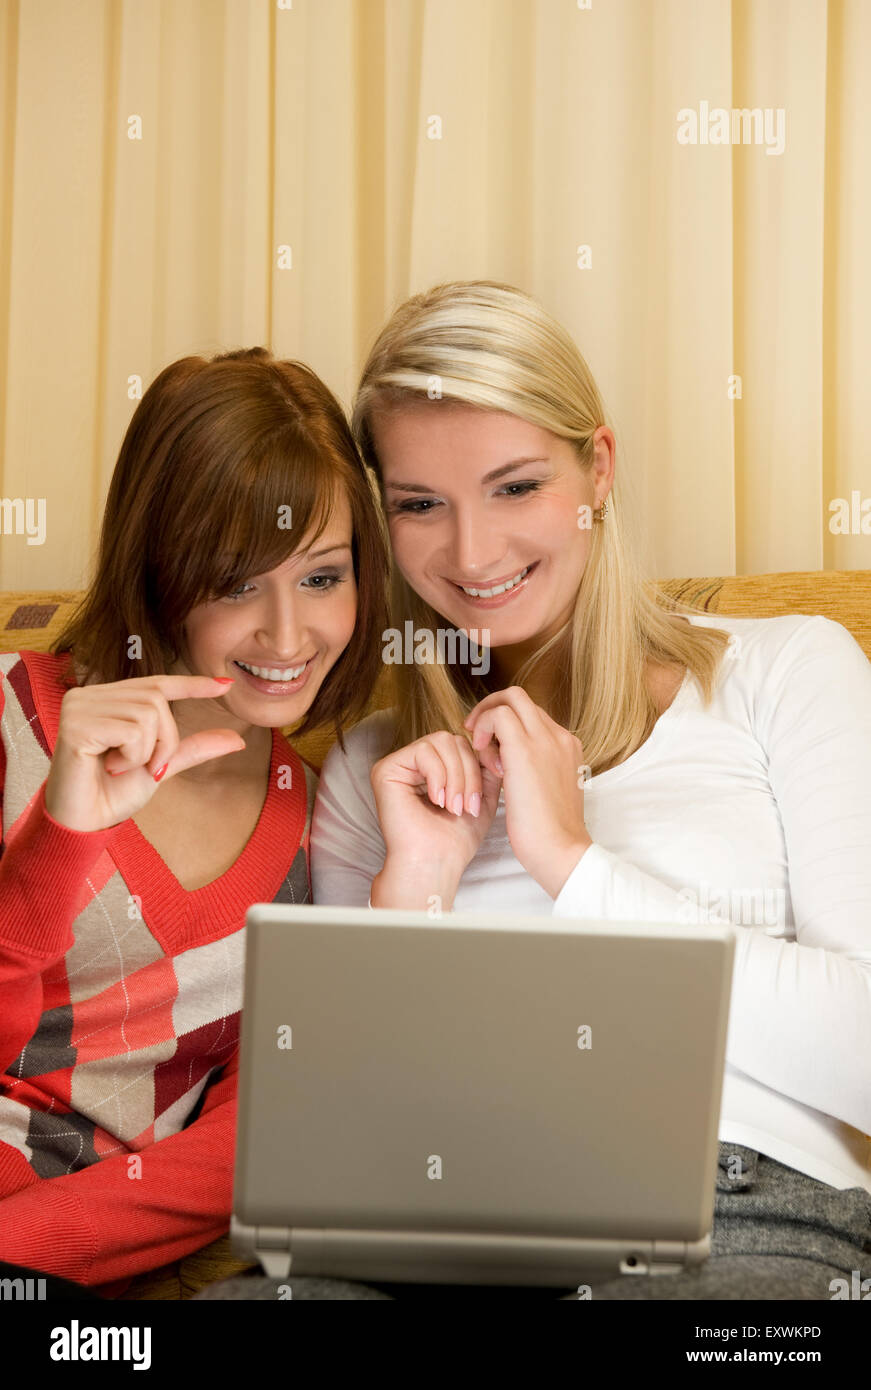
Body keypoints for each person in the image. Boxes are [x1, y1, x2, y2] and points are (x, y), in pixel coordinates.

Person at [296, 280, 871, 1300]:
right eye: (421, 504)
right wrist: (414, 896)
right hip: (440, 1239)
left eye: (515, 486)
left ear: (596, 468)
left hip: (729, 1216)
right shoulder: (371, 769)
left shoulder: (785, 671)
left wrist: (573, 863)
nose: (472, 554)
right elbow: (349, 1161)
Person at [0, 346, 389, 1297]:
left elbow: (246, 1147)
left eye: (322, 578)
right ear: (157, 570)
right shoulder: (15, 730)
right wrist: (63, 833)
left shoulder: (329, 823)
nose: (288, 637)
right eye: (233, 583)